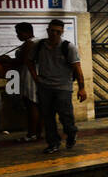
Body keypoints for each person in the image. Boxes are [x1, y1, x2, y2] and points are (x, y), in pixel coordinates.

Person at [28, 19, 87, 154]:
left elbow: (77, 68)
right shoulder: (39, 46)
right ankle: (53, 143)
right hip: (45, 87)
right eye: (52, 31)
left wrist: (82, 88)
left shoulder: (68, 47)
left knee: (66, 116)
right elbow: (29, 61)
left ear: (62, 32)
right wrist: (35, 78)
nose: (54, 34)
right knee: (47, 116)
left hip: (63, 87)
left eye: (58, 32)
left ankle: (71, 133)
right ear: (48, 30)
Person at [13, 22, 40, 141]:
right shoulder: (38, 42)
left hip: (29, 76)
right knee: (36, 105)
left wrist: (7, 60)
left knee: (31, 105)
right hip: (35, 75)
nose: (17, 36)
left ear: (27, 32)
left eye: (19, 33)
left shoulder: (30, 43)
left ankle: (31, 134)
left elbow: (22, 61)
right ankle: (37, 133)